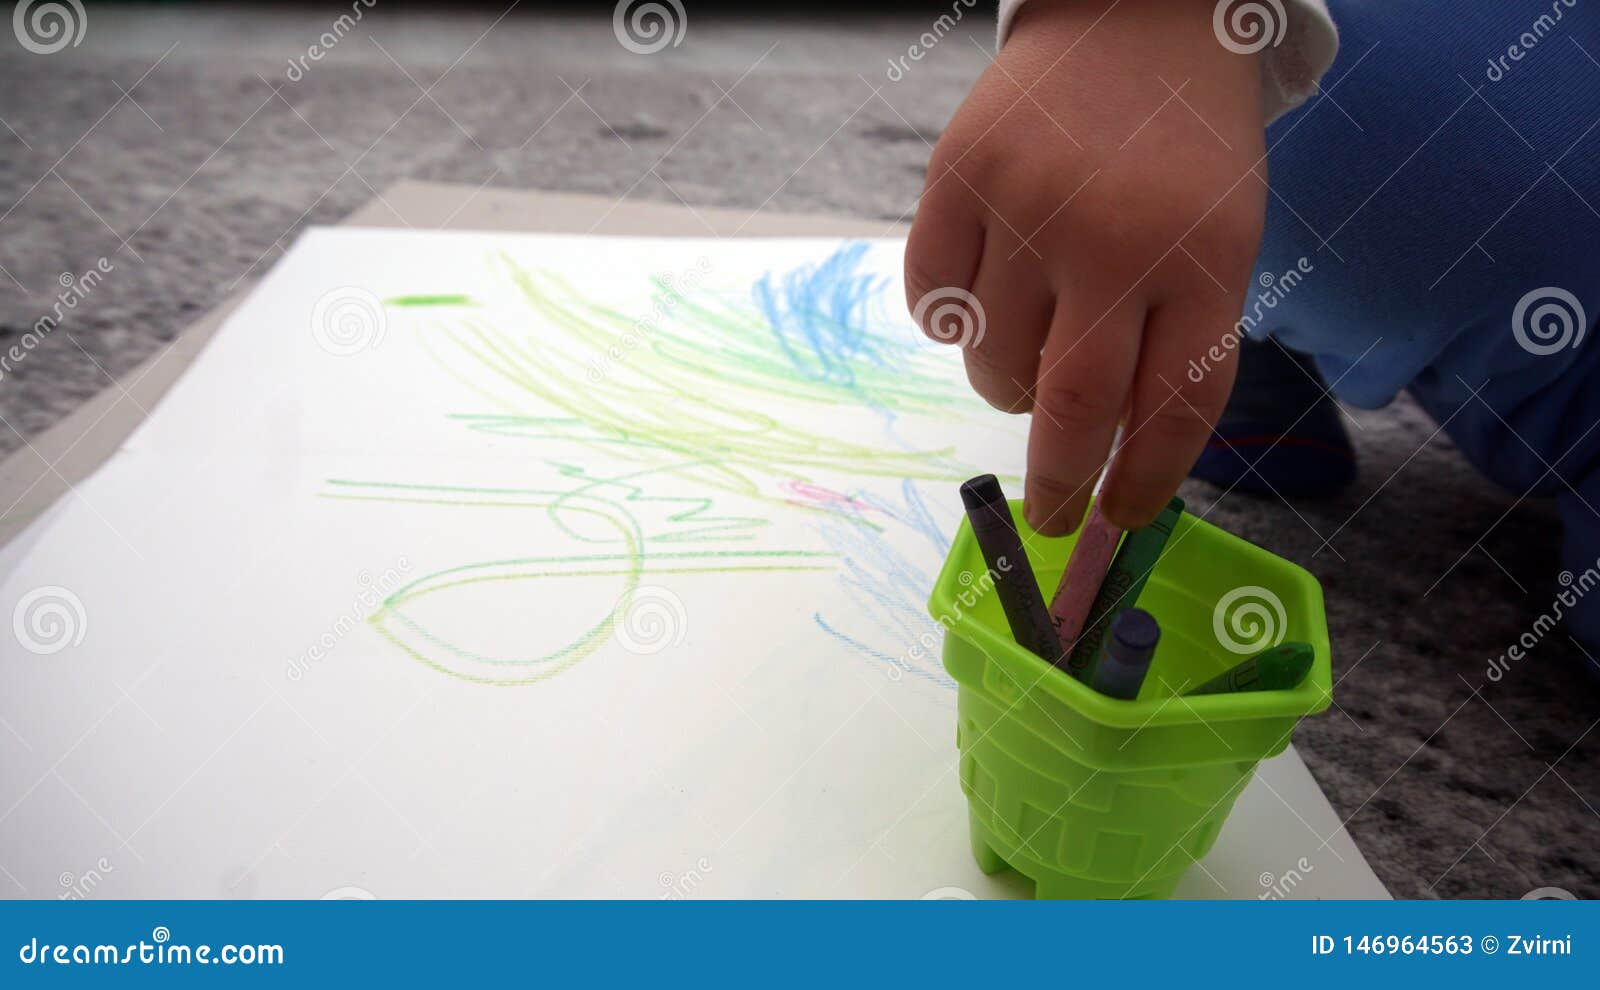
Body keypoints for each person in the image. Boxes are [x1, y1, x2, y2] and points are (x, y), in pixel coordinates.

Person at [905, 0, 1600, 651]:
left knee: (1207, 152)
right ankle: (1219, 305)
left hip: (1307, 125)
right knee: (1199, 150)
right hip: (1333, 125)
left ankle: (1218, 318)